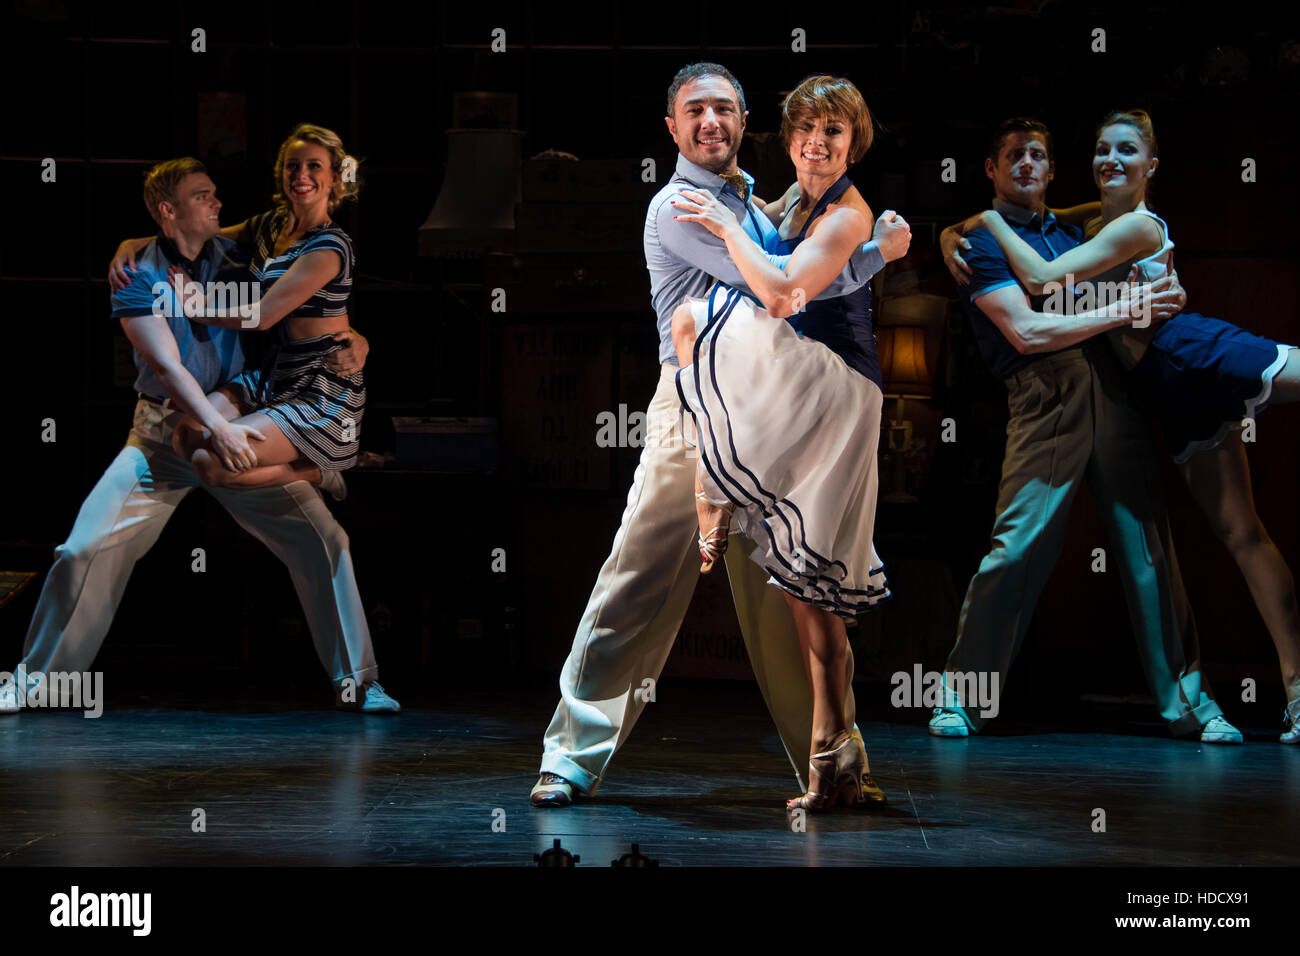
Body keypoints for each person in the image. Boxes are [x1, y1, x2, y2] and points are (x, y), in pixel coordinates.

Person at [530, 63, 911, 808]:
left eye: (725, 109)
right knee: (640, 573)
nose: (711, 121)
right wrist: (870, 255)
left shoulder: (754, 201)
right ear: (672, 127)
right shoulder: (683, 207)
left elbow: (808, 279)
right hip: (697, 413)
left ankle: (829, 762)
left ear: (743, 123)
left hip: (770, 409)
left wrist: (866, 253)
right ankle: (570, 753)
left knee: (788, 586)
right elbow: (780, 287)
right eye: (695, 110)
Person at [943, 110, 1299, 742]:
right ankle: (963, 694)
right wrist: (962, 226)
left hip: (1115, 385)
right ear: (992, 169)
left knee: (1146, 548)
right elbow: (1027, 332)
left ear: (1052, 170)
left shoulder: (1078, 224)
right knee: (1020, 545)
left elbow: (1127, 208)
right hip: (1046, 392)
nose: (1026, 165)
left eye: (1038, 156)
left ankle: (1191, 705)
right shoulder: (984, 244)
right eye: (1013, 156)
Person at [0, 156, 398, 715]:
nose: (217, 203)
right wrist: (215, 428)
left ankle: (358, 681)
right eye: (203, 196)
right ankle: (37, 681)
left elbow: (301, 302)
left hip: (242, 416)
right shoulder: (137, 271)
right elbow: (167, 368)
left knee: (323, 540)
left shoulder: (239, 256)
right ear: (170, 210)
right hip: (166, 434)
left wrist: (359, 337)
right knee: (84, 547)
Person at [669, 75, 898, 809]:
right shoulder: (793, 201)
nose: (817, 144)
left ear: (852, 142)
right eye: (805, 130)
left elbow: (783, 293)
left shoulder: (849, 212)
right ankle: (837, 761)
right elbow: (762, 227)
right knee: (811, 591)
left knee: (692, 324)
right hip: (803, 383)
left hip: (834, 390)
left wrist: (727, 225)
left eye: (833, 132)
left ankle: (715, 487)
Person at [115, 124, 363, 503]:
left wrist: (198, 308)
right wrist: (130, 243)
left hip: (318, 381)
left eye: (314, 166)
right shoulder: (270, 225)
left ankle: (317, 470)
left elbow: (264, 317)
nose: (301, 175)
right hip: (273, 372)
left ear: (334, 177)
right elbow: (197, 230)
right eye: (292, 166)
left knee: (211, 465)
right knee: (185, 436)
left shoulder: (329, 246)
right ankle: (307, 462)